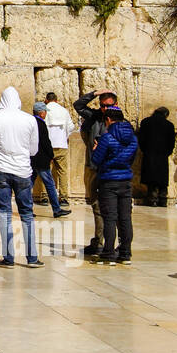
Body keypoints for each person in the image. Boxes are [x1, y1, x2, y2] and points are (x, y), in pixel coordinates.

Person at [0, 87, 42, 268]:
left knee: (5, 214)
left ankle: (8, 258)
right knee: (27, 214)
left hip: (0, 169)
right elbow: (33, 150)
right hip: (23, 171)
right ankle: (32, 258)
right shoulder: (30, 119)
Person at [92, 105, 139, 264]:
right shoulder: (132, 138)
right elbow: (131, 159)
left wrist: (96, 149)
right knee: (125, 217)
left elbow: (96, 160)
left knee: (110, 218)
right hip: (126, 180)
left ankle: (108, 252)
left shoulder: (106, 137)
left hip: (109, 180)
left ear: (108, 119)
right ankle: (125, 253)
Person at [74, 90, 117, 255]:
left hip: (109, 169)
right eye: (103, 105)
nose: (105, 109)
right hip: (94, 167)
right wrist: (94, 93)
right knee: (96, 205)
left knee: (112, 207)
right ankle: (98, 241)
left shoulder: (119, 123)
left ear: (115, 105)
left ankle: (113, 243)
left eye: (108, 105)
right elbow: (78, 105)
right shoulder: (94, 117)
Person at [31, 101, 67, 217]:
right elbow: (46, 142)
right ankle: (56, 209)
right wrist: (51, 155)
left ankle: (27, 210)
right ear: (41, 113)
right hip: (41, 160)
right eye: (45, 112)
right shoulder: (41, 124)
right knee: (50, 185)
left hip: (32, 159)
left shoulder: (31, 122)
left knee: (29, 185)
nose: (46, 114)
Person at [137, 106, 176, 207]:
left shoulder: (145, 122)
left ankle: (152, 199)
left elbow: (141, 139)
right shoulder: (169, 125)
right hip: (162, 155)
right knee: (162, 179)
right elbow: (171, 143)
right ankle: (163, 200)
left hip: (149, 154)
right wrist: (167, 152)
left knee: (151, 179)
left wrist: (145, 150)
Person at [43, 92, 75, 210]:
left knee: (45, 171)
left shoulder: (44, 110)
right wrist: (65, 136)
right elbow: (71, 127)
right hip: (61, 145)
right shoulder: (64, 111)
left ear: (46, 100)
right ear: (56, 100)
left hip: (47, 146)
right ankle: (64, 197)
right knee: (62, 171)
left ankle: (44, 196)